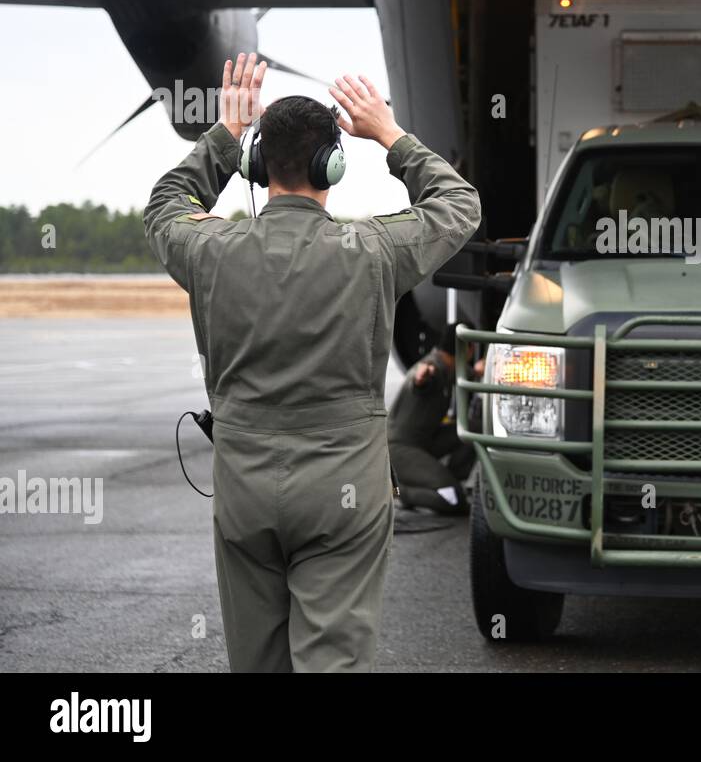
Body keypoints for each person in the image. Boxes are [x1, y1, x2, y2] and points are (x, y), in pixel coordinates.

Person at [143, 54, 480, 670]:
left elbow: (166, 203)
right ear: (335, 165)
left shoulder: (209, 249)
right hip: (343, 489)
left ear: (256, 163)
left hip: (243, 488)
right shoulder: (374, 249)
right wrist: (389, 134)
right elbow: (458, 205)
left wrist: (225, 133)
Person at [388, 333, 478, 517]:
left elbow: (468, 373)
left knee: (474, 427)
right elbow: (420, 380)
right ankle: (398, 493)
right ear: (468, 349)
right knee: (453, 499)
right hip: (399, 449)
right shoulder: (433, 368)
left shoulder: (449, 367)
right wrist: (421, 379)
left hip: (423, 441)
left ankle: (450, 477)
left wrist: (479, 370)